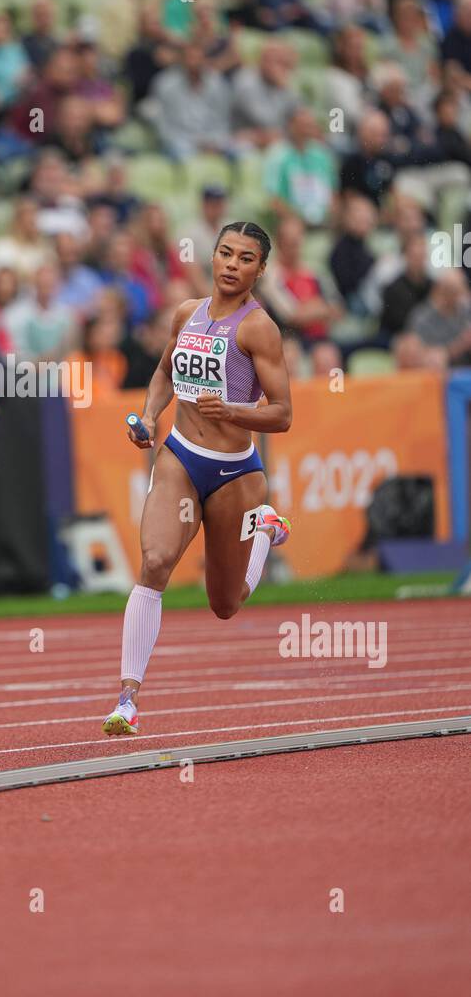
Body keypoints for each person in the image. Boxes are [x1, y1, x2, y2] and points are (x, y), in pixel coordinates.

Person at [102, 222, 293, 736]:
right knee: (156, 561)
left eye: (246, 258)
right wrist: (148, 416)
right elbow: (165, 371)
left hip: (235, 474)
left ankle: (265, 530)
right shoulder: (187, 313)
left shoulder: (260, 329)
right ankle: (127, 699)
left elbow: (281, 414)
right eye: (225, 253)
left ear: (260, 270)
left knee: (225, 605)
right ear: (211, 257)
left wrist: (231, 410)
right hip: (181, 457)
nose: (233, 265)